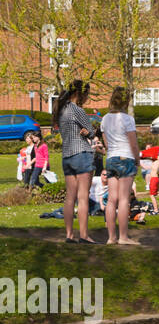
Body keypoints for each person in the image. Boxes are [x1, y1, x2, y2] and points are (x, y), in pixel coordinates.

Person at [55, 79, 98, 244]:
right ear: (80, 93)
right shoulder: (77, 110)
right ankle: (84, 235)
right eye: (86, 94)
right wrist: (88, 133)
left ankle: (69, 235)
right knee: (83, 197)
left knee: (69, 198)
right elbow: (92, 133)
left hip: (67, 156)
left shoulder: (61, 110)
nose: (87, 98)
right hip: (82, 153)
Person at [101, 86, 142, 245]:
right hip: (126, 158)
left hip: (111, 159)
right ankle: (124, 237)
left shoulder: (104, 119)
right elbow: (133, 143)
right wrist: (137, 160)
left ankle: (111, 237)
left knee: (111, 200)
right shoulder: (127, 119)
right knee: (124, 199)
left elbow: (106, 142)